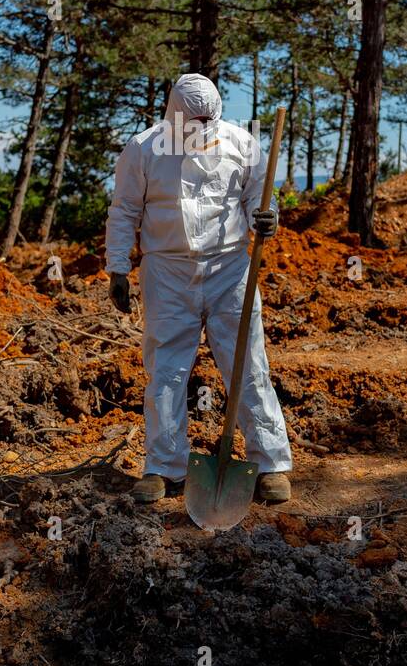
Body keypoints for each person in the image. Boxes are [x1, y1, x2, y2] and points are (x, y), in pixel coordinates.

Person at [105, 72, 292, 505]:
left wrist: (267, 217)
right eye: (194, 121)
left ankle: (270, 464)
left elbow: (256, 198)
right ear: (175, 114)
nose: (203, 128)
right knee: (167, 371)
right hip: (167, 272)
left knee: (247, 364)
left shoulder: (243, 144)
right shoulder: (144, 148)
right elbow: (125, 210)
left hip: (230, 268)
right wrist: (118, 268)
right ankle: (164, 467)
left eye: (209, 120)